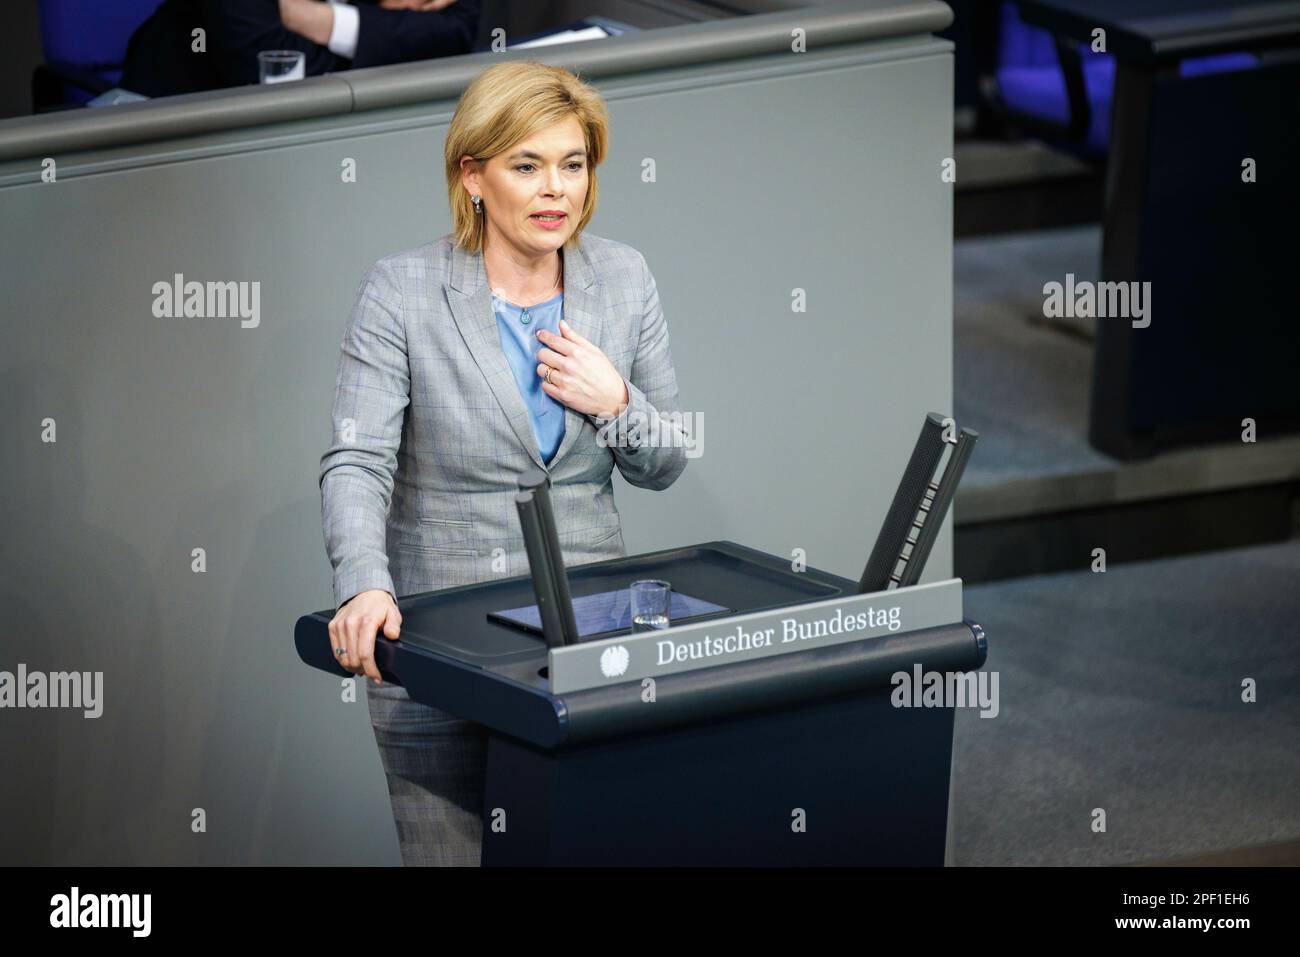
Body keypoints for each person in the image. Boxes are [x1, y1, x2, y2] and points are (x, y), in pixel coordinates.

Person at [319, 60, 690, 865]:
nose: (556, 189)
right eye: (527, 165)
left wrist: (616, 402)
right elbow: (356, 459)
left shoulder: (623, 278)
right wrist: (363, 583)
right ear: (473, 175)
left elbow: (666, 463)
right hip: (441, 646)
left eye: (573, 164)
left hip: (587, 642)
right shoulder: (401, 290)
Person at [121, 0, 480, 97]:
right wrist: (386, 34)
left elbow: (456, 29)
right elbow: (272, 68)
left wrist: (326, 19)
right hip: (176, 125)